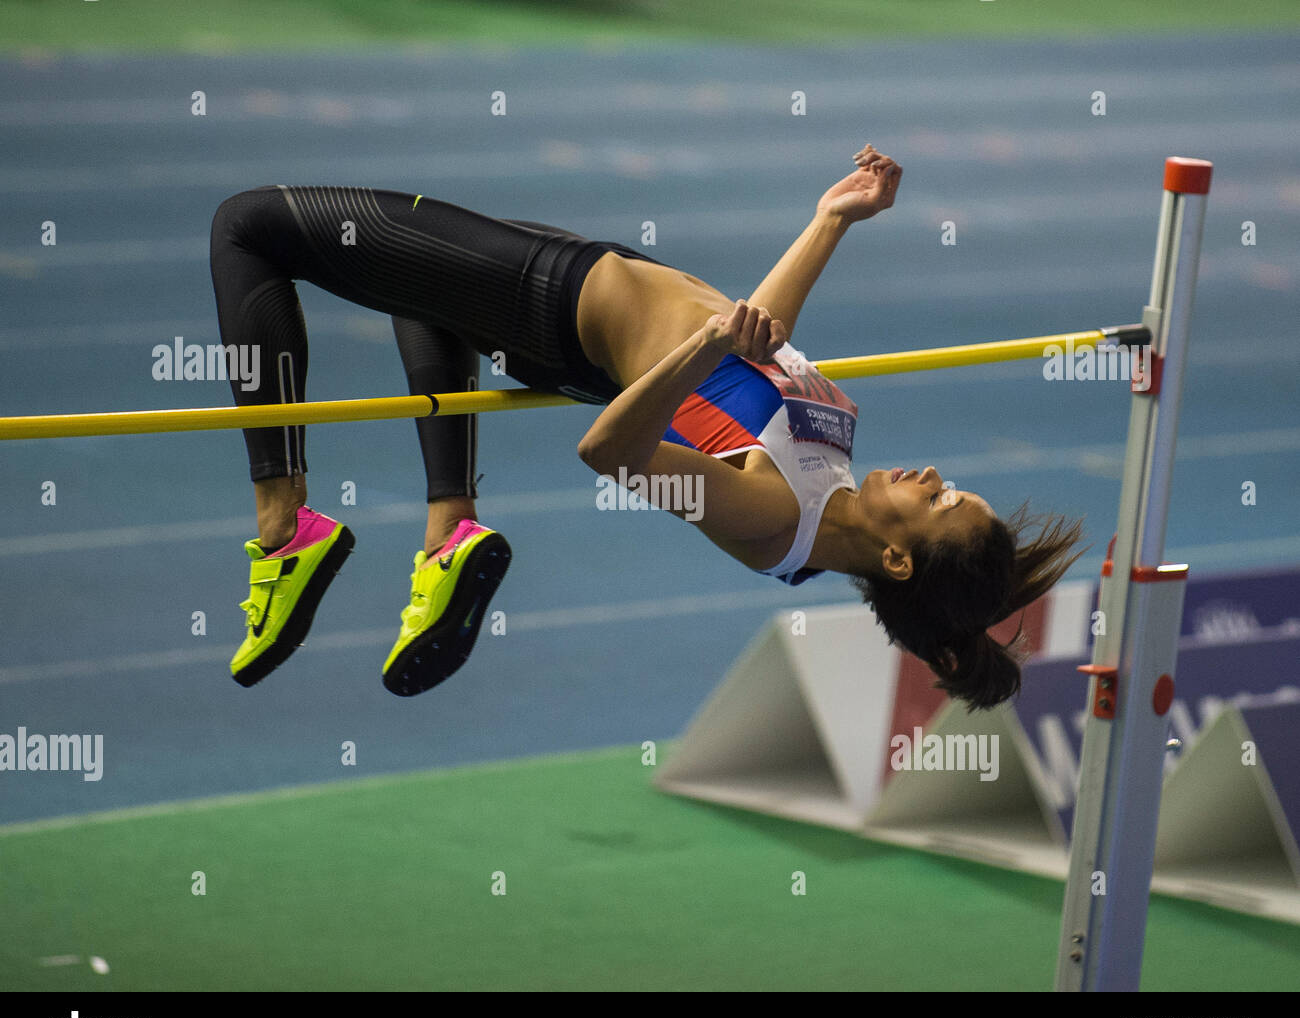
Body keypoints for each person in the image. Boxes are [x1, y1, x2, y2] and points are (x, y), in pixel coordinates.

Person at [209, 144, 1084, 706]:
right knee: (412, 290)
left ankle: (285, 530)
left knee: (247, 226)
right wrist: (829, 222)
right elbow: (755, 339)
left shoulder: (776, 524)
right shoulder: (835, 479)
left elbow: (614, 453)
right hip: (587, 276)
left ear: (899, 559)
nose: (936, 477)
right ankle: (448, 542)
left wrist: (699, 348)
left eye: (944, 503)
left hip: (555, 306)